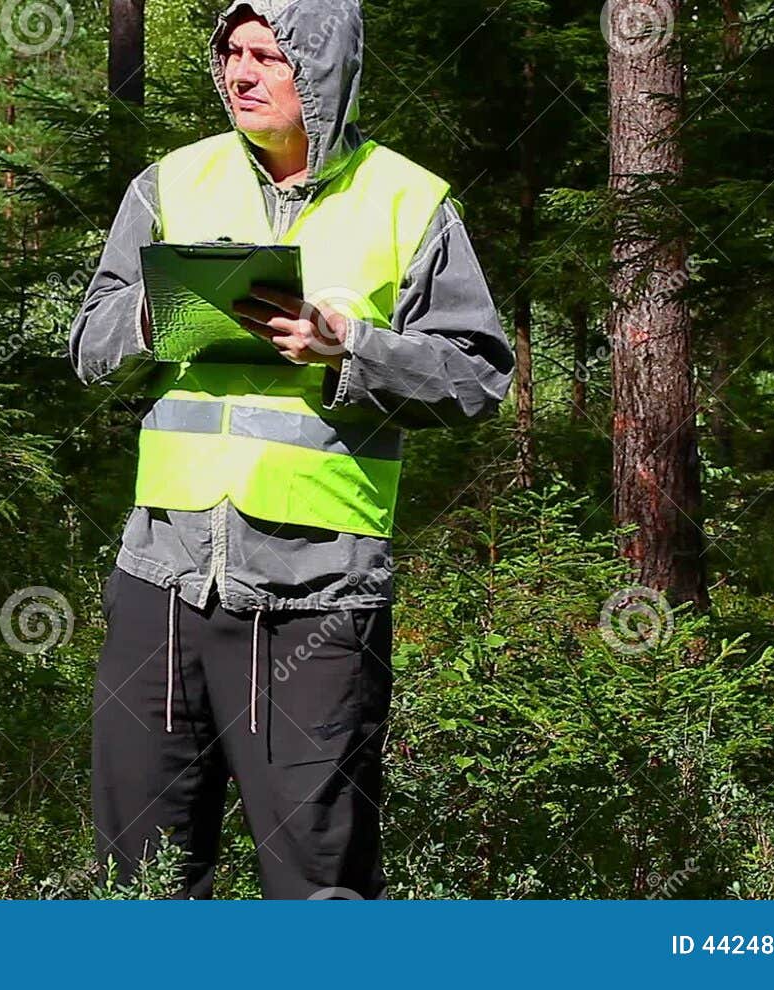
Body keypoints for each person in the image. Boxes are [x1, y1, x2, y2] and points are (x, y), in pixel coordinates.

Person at [68, 0, 513, 899]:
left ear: (321, 68)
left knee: (318, 888)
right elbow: (88, 346)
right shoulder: (171, 183)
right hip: (162, 588)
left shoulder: (408, 200)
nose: (240, 74)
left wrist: (354, 349)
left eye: (267, 56)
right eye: (231, 53)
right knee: (143, 888)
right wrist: (158, 317)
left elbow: (476, 378)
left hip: (319, 600)